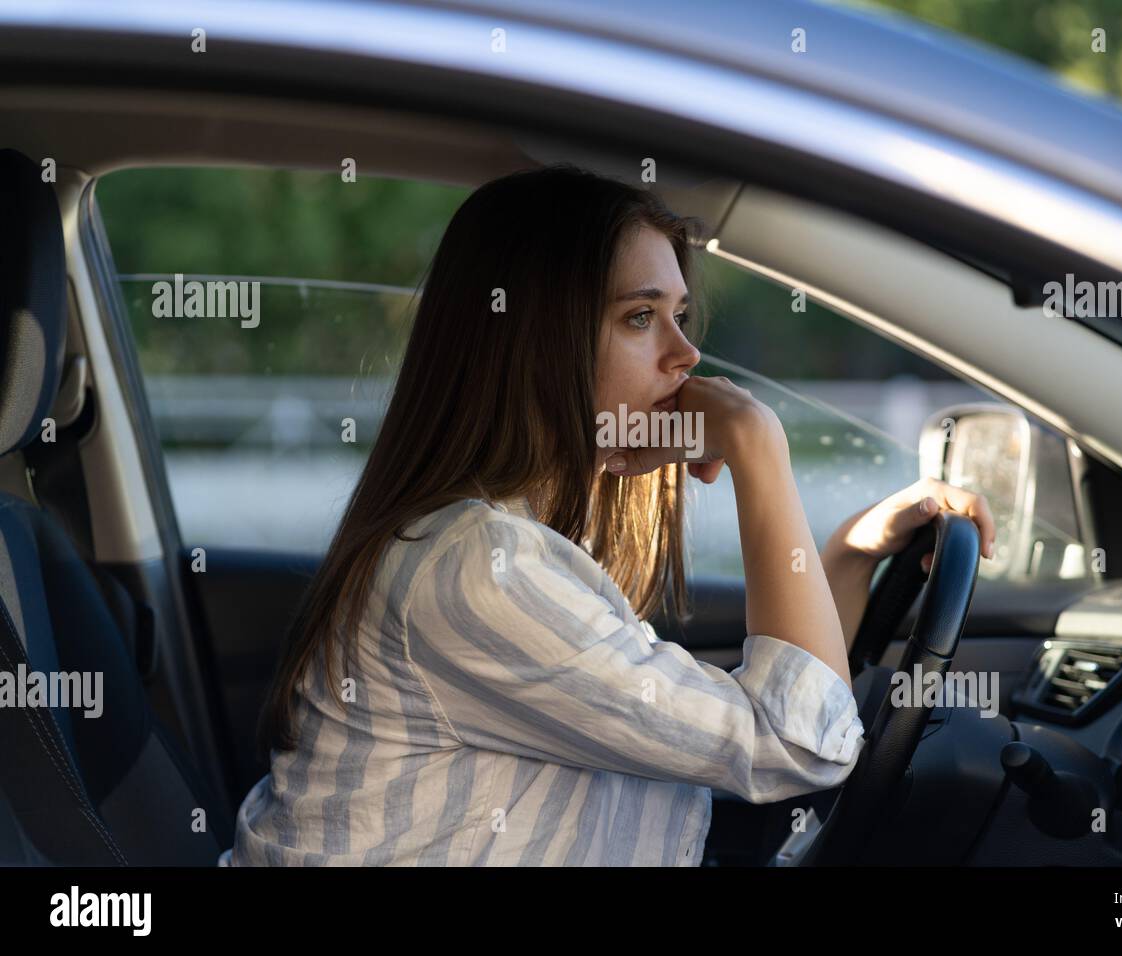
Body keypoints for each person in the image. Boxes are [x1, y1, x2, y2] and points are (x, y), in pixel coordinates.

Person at [220, 163, 994, 866]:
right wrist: (757, 446)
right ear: (533, 342)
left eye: (681, 315)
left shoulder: (510, 542)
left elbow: (756, 715)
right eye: (638, 317)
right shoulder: (480, 570)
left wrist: (849, 555)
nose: (685, 354)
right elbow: (797, 742)